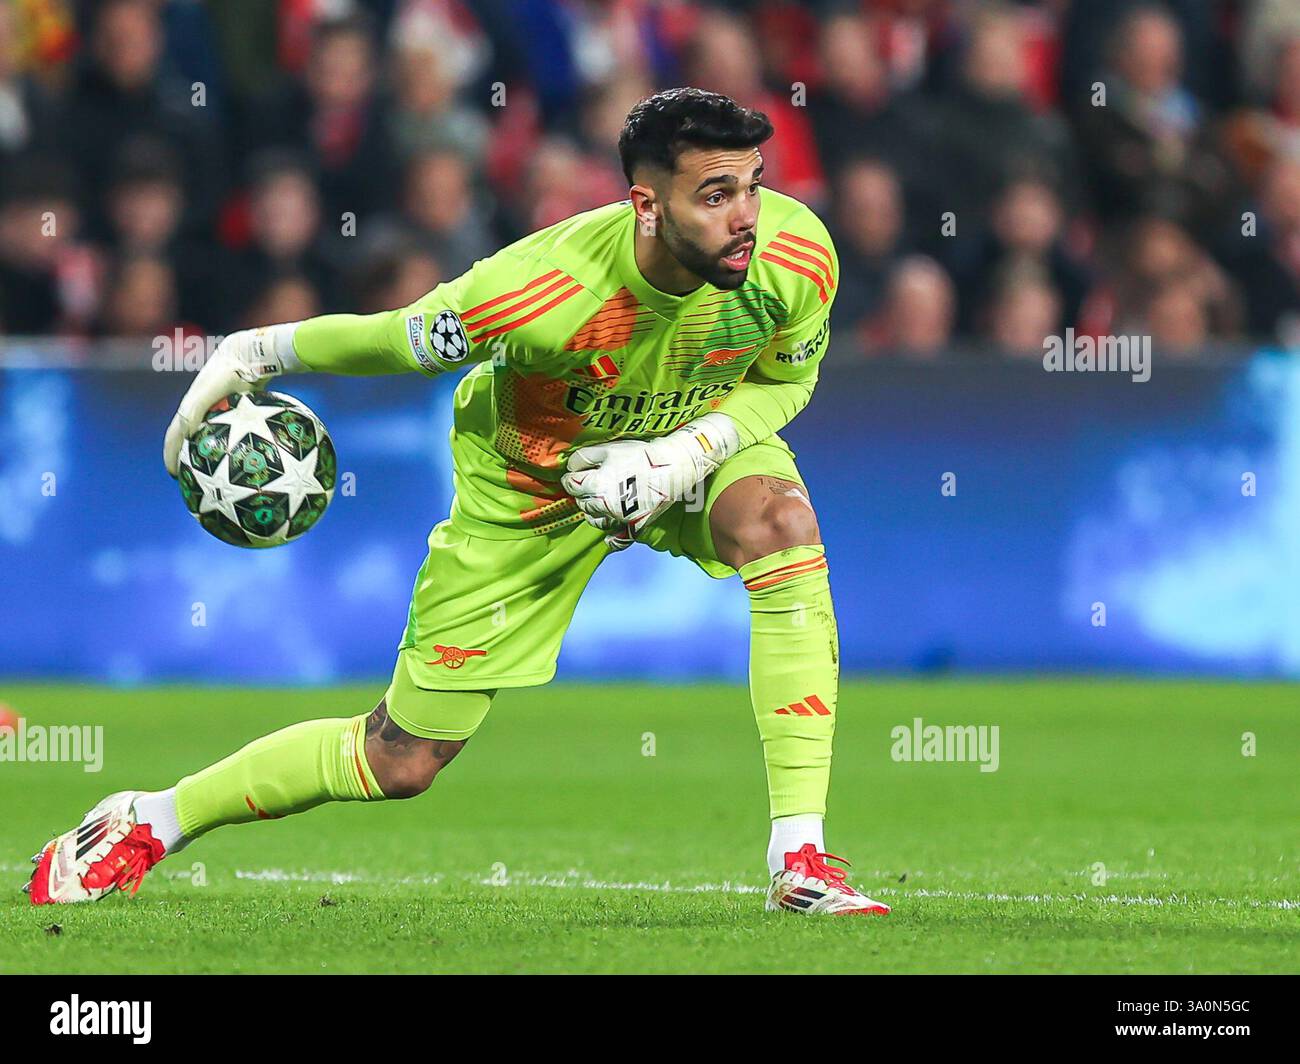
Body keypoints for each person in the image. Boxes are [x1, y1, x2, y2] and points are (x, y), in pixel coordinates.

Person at [26, 88, 888, 917]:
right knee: (400, 759)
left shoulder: (794, 254)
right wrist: (261, 351)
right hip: (532, 487)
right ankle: (152, 818)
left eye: (753, 185)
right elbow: (396, 338)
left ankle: (798, 858)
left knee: (782, 524)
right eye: (715, 194)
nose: (746, 215)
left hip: (696, 442)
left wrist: (682, 454)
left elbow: (787, 380)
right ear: (647, 206)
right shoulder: (543, 290)